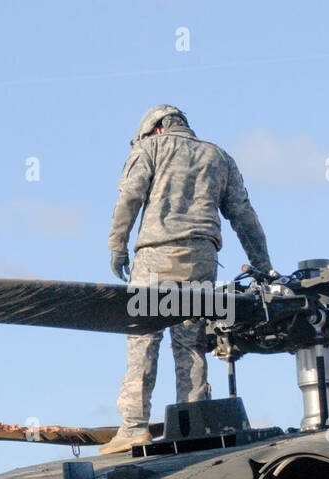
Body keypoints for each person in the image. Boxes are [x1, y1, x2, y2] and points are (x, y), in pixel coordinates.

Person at [102, 105, 273, 455]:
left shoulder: (148, 149)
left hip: (155, 256)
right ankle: (193, 425)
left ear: (158, 129)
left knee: (143, 339)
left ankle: (134, 428)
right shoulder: (218, 156)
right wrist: (263, 267)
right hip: (201, 258)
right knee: (191, 342)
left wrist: (117, 245)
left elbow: (130, 197)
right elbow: (244, 215)